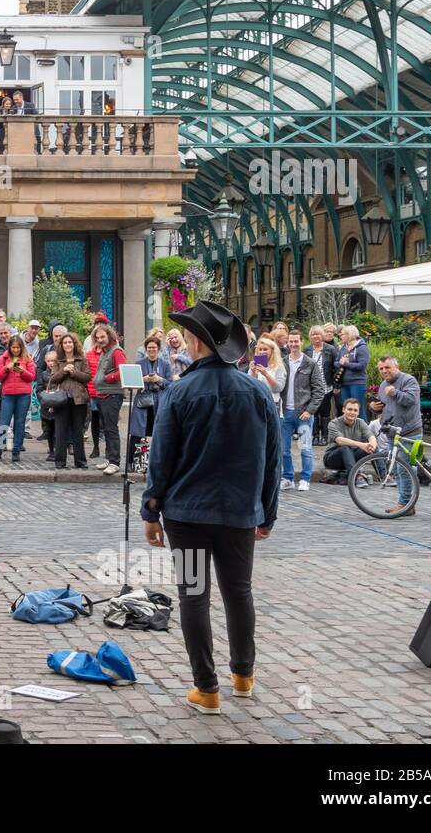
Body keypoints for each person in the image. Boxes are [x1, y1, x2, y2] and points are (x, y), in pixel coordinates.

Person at [141, 300, 280, 716]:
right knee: (239, 593)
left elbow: (160, 458)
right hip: (240, 510)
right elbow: (272, 460)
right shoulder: (257, 391)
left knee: (194, 596)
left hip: (187, 513)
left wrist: (151, 509)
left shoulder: (179, 391)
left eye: (187, 336)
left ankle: (207, 688)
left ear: (196, 343)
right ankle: (243, 676)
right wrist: (267, 512)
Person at [280, 330, 327, 492]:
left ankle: (305, 478)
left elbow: (319, 390)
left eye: (296, 341)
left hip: (304, 414)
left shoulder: (310, 363)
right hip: (285, 412)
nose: (293, 344)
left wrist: (310, 410)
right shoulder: (283, 362)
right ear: (287, 343)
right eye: (290, 342)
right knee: (283, 449)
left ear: (301, 342)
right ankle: (288, 478)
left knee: (305, 448)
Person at [376, 354, 422, 516]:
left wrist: (395, 392)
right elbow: (385, 406)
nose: (384, 371)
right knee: (395, 468)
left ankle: (405, 504)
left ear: (397, 366)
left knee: (405, 469)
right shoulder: (383, 385)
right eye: (381, 369)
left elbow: (411, 399)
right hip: (392, 433)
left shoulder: (409, 380)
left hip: (409, 432)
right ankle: (407, 503)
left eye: (387, 367)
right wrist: (374, 408)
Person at [0, 333, 36, 463]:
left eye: (18, 348)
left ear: (21, 348)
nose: (15, 350)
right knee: (4, 422)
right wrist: (6, 368)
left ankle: (16, 450)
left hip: (23, 395)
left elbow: (31, 377)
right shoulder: (3, 359)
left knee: (19, 423)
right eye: (13, 347)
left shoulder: (27, 359)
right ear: (9, 348)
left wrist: (22, 371)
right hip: (8, 394)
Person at [48, 332, 92, 470]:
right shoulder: (58, 361)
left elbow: (87, 377)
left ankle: (80, 461)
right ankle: (60, 461)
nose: (68, 345)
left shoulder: (82, 359)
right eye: (65, 342)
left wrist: (74, 372)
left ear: (74, 344)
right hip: (62, 400)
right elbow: (53, 378)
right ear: (62, 345)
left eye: (70, 342)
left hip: (79, 400)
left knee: (78, 431)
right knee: (61, 431)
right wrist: (64, 371)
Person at [128, 336, 174, 466]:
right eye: (149, 348)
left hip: (159, 401)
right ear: (146, 349)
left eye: (154, 347)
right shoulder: (139, 363)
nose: (151, 350)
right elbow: (133, 383)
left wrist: (159, 379)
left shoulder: (165, 364)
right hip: (142, 401)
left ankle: (161, 462)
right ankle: (132, 462)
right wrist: (144, 379)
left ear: (158, 349)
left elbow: (170, 384)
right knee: (137, 432)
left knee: (160, 432)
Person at [90, 324, 127, 475]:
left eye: (102, 337)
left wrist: (107, 378)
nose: (100, 340)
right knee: (106, 428)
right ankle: (109, 459)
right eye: (97, 338)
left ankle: (115, 462)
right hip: (103, 394)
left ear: (109, 336)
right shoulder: (104, 352)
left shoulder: (116, 351)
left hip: (112, 394)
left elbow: (122, 370)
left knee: (111, 429)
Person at [321, 399, 377, 486]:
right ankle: (356, 476)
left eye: (355, 410)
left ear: (358, 412)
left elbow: (371, 436)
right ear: (343, 409)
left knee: (372, 447)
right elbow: (340, 440)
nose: (352, 412)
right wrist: (361, 445)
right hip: (332, 459)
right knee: (345, 447)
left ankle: (385, 476)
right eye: (349, 409)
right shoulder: (333, 423)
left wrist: (372, 444)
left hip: (352, 457)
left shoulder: (360, 422)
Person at [308, 325, 339, 445]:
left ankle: (325, 436)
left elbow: (337, 368)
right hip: (311, 387)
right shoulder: (307, 350)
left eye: (318, 334)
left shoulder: (330, 349)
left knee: (325, 411)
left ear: (322, 335)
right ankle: (315, 436)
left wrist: (337, 385)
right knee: (314, 411)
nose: (315, 336)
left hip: (326, 385)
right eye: (313, 334)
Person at [335, 324, 370, 420]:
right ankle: (349, 433)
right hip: (344, 383)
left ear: (349, 335)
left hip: (357, 383)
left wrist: (346, 364)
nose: (340, 336)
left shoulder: (362, 348)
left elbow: (362, 366)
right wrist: (341, 363)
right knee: (347, 409)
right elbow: (336, 362)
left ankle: (364, 433)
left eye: (342, 334)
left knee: (358, 409)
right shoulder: (343, 348)